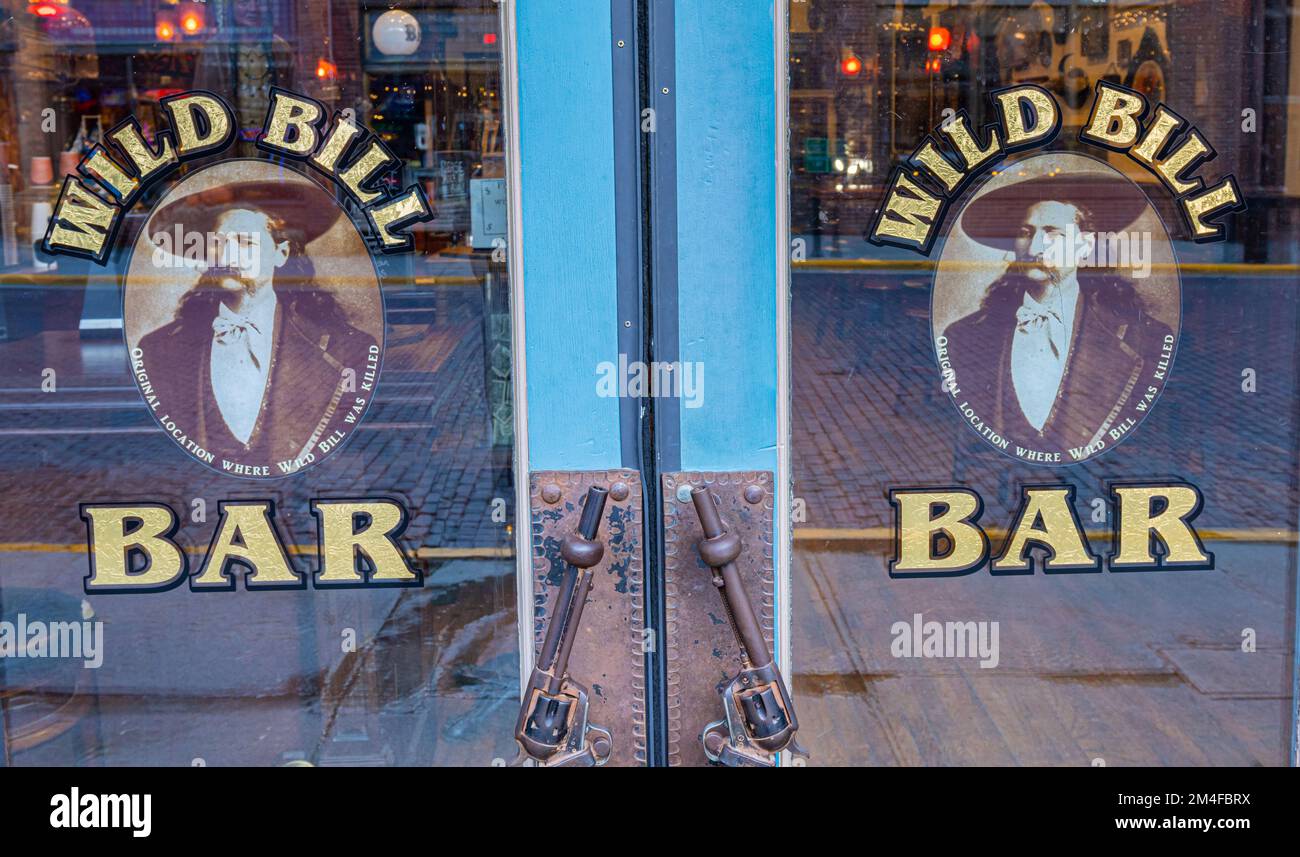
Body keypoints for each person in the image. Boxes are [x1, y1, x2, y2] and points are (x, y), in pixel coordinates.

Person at [136, 180, 377, 472]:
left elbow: (349, 464)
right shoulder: (156, 351)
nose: (227, 257)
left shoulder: (349, 350)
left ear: (281, 254)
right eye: (218, 243)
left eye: (245, 243)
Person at [940, 174, 1172, 452]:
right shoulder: (964, 336)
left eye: (1052, 233)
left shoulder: (1146, 339)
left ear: (1085, 246)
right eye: (1026, 233)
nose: (1036, 247)